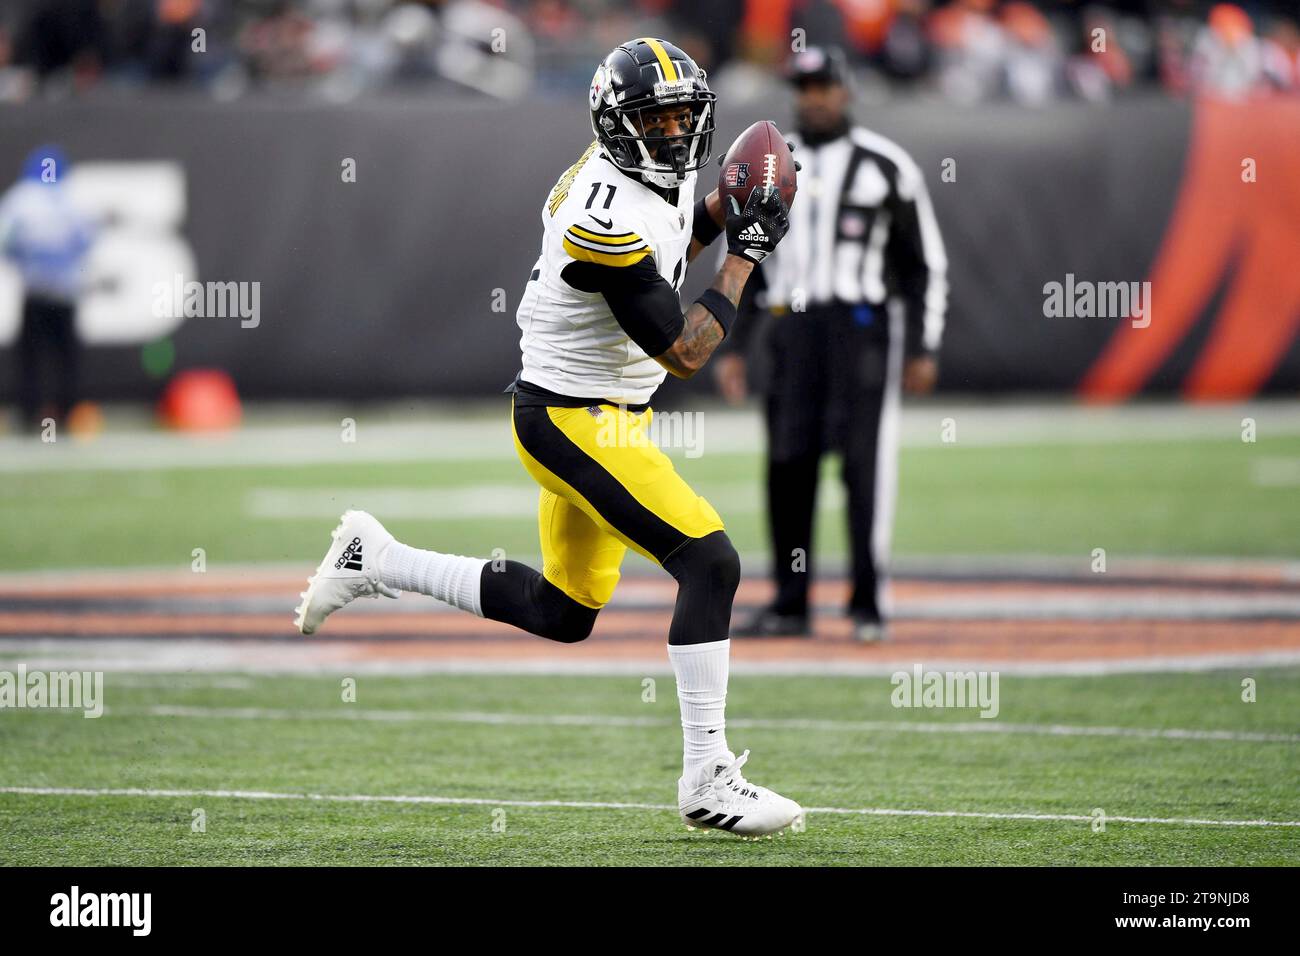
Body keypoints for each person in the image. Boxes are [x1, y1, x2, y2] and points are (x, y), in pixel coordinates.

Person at [294, 38, 803, 838]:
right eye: (657, 119)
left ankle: (375, 559)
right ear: (617, 125)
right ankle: (708, 777)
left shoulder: (642, 176)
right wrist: (750, 249)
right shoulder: (602, 215)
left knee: (562, 612)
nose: (674, 135)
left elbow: (674, 240)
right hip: (573, 419)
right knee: (711, 561)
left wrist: (726, 206)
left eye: (683, 116)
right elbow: (685, 349)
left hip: (600, 413)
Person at [717, 47, 948, 643]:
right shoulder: (770, 166)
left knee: (864, 467)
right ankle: (791, 603)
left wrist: (923, 345)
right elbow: (748, 261)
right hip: (789, 328)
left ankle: (868, 601)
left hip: (861, 327)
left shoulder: (884, 164)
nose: (813, 96)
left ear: (845, 90)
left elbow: (924, 264)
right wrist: (734, 345)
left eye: (823, 86)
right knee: (787, 466)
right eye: (804, 86)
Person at [0, 144, 95, 434]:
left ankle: (30, 416)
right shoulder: (71, 200)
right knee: (66, 359)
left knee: (32, 358)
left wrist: (27, 261)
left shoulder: (21, 200)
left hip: (36, 292)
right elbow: (87, 243)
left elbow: (6, 242)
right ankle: (65, 416)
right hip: (66, 294)